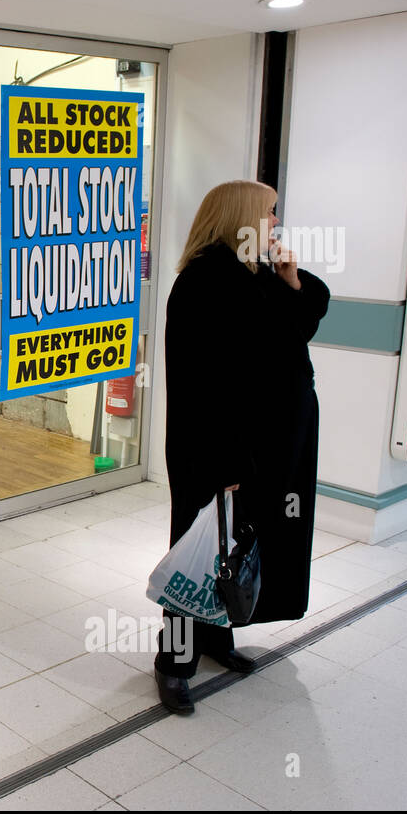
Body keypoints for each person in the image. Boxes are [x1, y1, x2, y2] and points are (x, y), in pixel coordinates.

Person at [154, 180, 330, 714]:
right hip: (216, 452)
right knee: (199, 552)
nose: (276, 222)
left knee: (233, 551)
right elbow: (203, 384)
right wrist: (225, 461)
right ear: (242, 216)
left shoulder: (252, 274)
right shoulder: (205, 281)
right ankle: (174, 663)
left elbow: (301, 323)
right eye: (270, 213)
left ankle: (217, 637)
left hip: (259, 452)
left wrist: (290, 277)